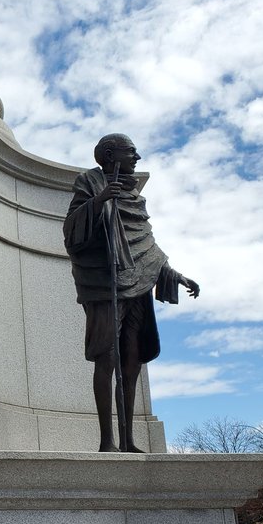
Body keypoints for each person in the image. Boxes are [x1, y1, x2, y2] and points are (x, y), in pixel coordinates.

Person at [63, 134, 199, 452]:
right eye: (131, 152)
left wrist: (175, 275)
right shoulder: (91, 182)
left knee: (132, 360)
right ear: (111, 155)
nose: (137, 157)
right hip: (104, 284)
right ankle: (107, 441)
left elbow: (146, 246)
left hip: (137, 285)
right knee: (106, 358)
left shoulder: (134, 195)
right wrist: (99, 202)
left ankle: (128, 439)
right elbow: (71, 232)